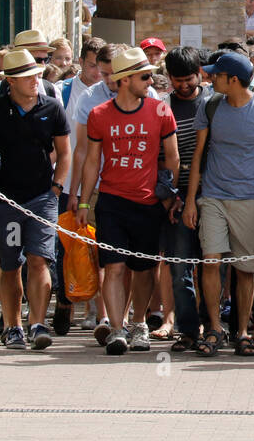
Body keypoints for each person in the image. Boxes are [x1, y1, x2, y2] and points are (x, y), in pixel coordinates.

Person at [76, 48, 180, 356]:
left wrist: (169, 195)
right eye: (144, 76)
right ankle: (118, 329)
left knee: (144, 268)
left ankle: (139, 325)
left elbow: (172, 158)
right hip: (111, 201)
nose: (150, 81)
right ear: (124, 80)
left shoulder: (160, 110)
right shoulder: (99, 115)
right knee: (115, 266)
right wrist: (83, 203)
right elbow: (92, 161)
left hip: (148, 202)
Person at [182, 51, 254, 357]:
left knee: (246, 269)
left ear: (234, 80)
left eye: (217, 76)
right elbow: (198, 154)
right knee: (210, 261)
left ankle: (241, 331)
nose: (211, 80)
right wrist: (192, 201)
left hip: (252, 199)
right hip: (213, 196)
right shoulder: (210, 105)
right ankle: (214, 328)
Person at [0, 50, 70, 351]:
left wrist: (57, 187)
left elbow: (65, 151)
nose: (36, 80)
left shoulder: (53, 107)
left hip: (41, 197)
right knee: (10, 264)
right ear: (10, 81)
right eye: (27, 76)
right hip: (4, 198)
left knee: (39, 258)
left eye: (37, 73)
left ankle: (36, 323)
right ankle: (13, 326)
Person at [156, 46, 210, 351]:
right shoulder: (162, 108)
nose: (184, 85)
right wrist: (169, 197)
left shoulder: (213, 103)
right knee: (179, 268)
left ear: (200, 73)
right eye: (177, 80)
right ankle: (188, 329)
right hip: (175, 199)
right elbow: (157, 158)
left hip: (210, 196)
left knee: (212, 267)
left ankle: (211, 326)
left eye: (189, 78)